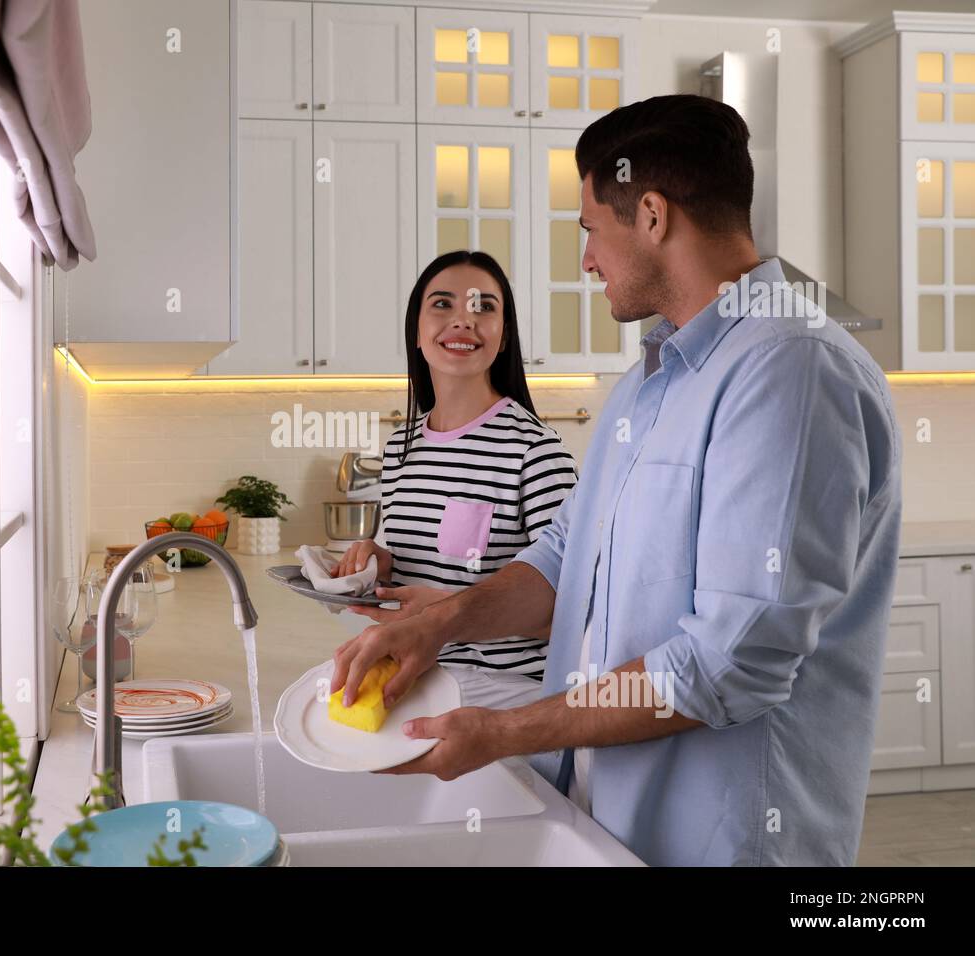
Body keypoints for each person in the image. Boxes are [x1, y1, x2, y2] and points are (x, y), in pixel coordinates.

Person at [329, 94, 903, 866]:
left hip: (724, 843)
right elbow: (566, 560)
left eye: (592, 230)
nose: (588, 259)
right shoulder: (650, 380)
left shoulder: (792, 371)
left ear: (654, 216)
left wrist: (505, 732)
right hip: (604, 819)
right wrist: (440, 623)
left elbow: (729, 661)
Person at [332, 250, 577, 709]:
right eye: (443, 304)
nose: (464, 320)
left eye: (484, 306)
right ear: (417, 332)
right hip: (418, 677)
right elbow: (423, 566)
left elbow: (577, 609)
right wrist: (378, 561)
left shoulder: (536, 453)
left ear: (503, 337)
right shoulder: (401, 447)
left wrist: (447, 614)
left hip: (506, 701)